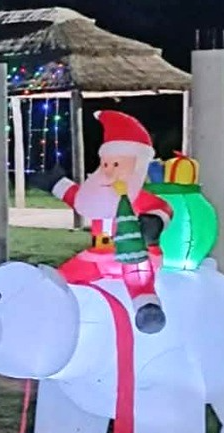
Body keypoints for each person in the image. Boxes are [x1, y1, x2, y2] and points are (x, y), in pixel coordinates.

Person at [30, 110, 171, 333]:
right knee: (66, 274)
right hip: (98, 256)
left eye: (116, 165)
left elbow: (162, 209)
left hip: (134, 256)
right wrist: (56, 183)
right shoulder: (98, 196)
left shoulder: (138, 197)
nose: (108, 172)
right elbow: (79, 199)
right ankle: (48, 298)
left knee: (139, 279)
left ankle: (147, 307)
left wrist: (154, 223)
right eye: (105, 165)